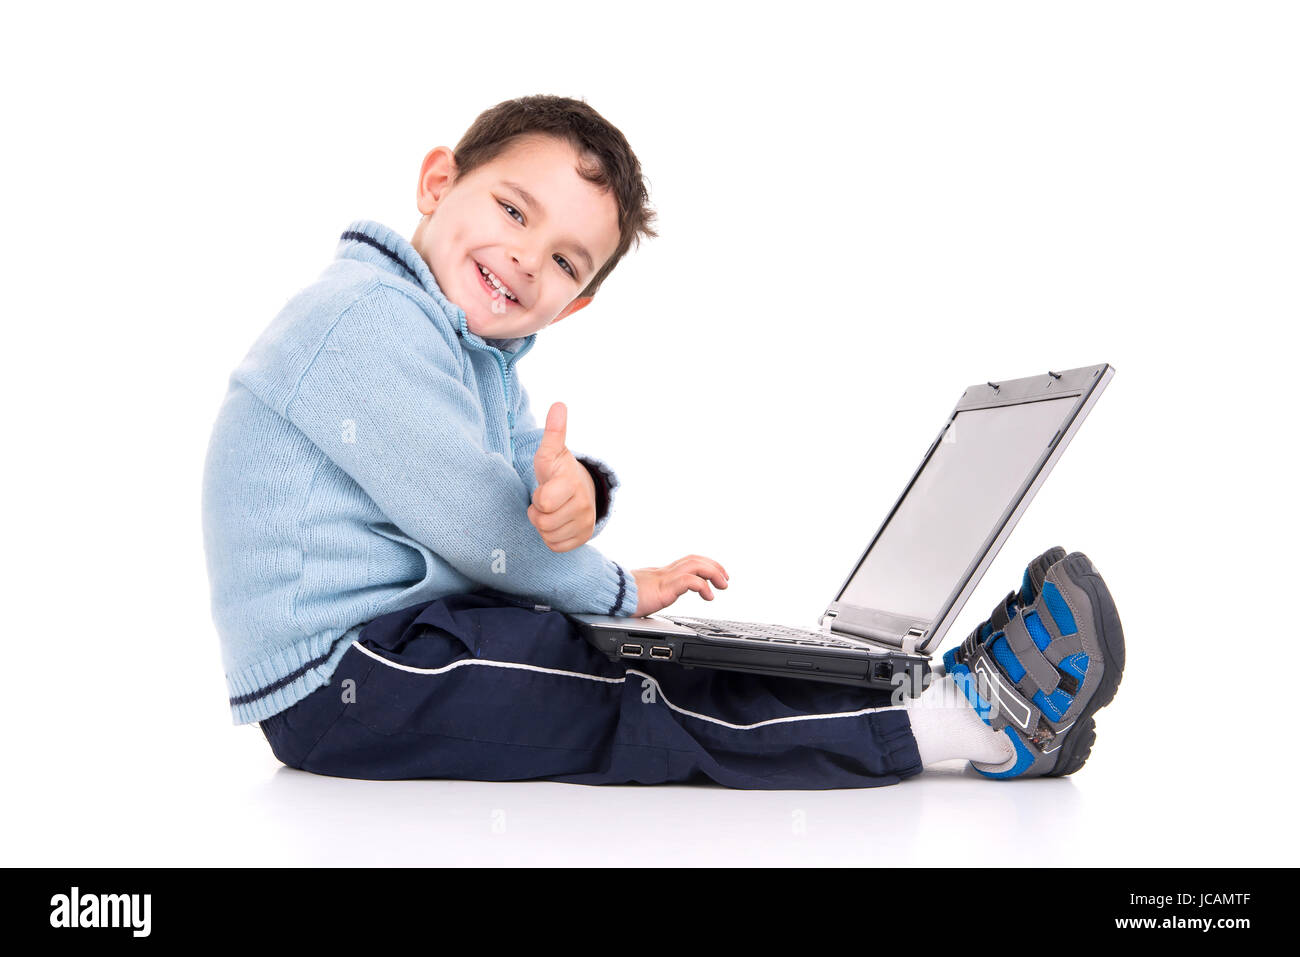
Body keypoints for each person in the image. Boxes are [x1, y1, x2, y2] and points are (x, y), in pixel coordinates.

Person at [202, 95, 1124, 789]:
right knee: (634, 698)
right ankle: (970, 725)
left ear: (580, 300)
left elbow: (527, 492)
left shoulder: (475, 353)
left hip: (404, 642)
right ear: (438, 183)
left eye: (565, 259)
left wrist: (573, 499)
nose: (526, 257)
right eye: (514, 211)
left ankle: (903, 692)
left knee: (645, 656)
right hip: (343, 677)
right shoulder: (369, 318)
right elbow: (478, 520)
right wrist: (619, 585)